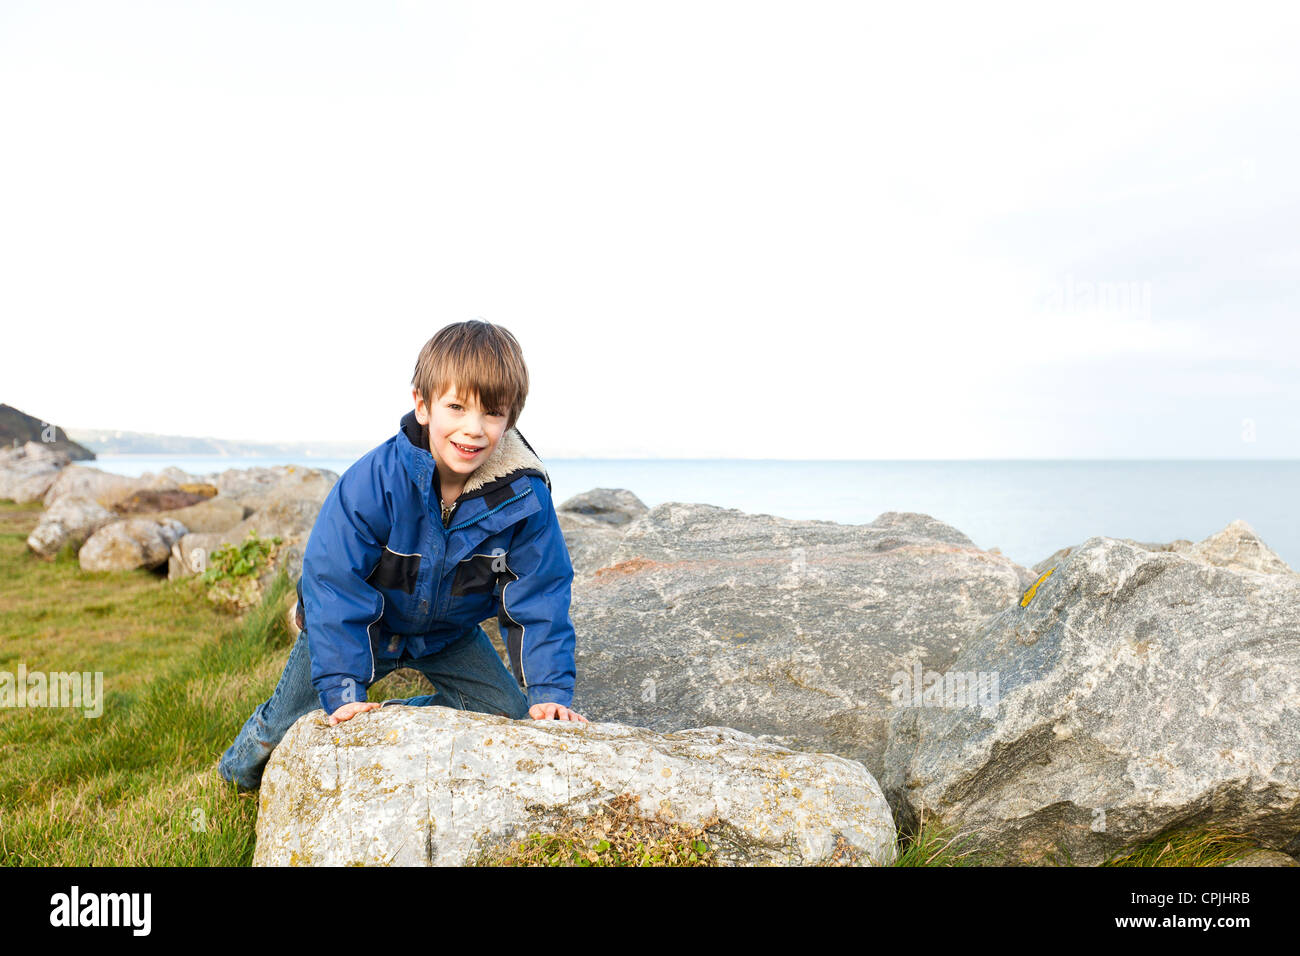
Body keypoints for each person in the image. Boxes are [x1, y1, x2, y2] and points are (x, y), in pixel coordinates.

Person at [219, 320, 585, 791]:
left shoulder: (524, 495)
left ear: (510, 418)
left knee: (508, 720)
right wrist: (345, 690)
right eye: (456, 407)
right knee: (285, 727)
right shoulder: (374, 482)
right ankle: (234, 774)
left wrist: (549, 691)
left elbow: (541, 592)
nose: (473, 430)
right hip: (369, 627)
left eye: (492, 414)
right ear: (423, 404)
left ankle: (397, 718)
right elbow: (333, 585)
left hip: (447, 634)